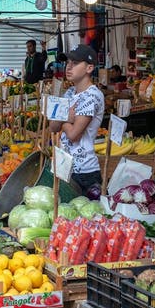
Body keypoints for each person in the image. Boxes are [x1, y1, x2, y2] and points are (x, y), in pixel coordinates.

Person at [49, 44, 105, 197]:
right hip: (64, 167)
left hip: (84, 173)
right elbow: (52, 127)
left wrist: (64, 119)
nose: (68, 67)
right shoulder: (70, 92)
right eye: (68, 62)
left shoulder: (92, 96)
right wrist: (66, 117)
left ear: (89, 68)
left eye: (75, 63)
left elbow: (74, 135)